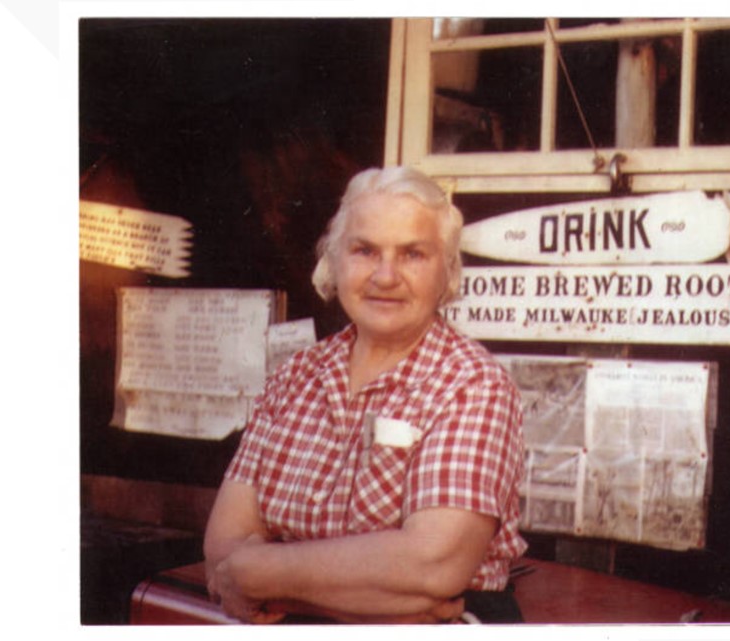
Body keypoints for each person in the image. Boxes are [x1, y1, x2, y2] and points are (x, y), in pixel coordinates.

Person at [203, 166, 527, 624]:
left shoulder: (473, 385)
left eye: (413, 254)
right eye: (364, 250)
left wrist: (260, 575)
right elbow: (223, 549)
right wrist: (381, 599)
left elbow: (432, 567)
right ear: (333, 262)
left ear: (447, 273)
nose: (386, 275)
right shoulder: (295, 376)